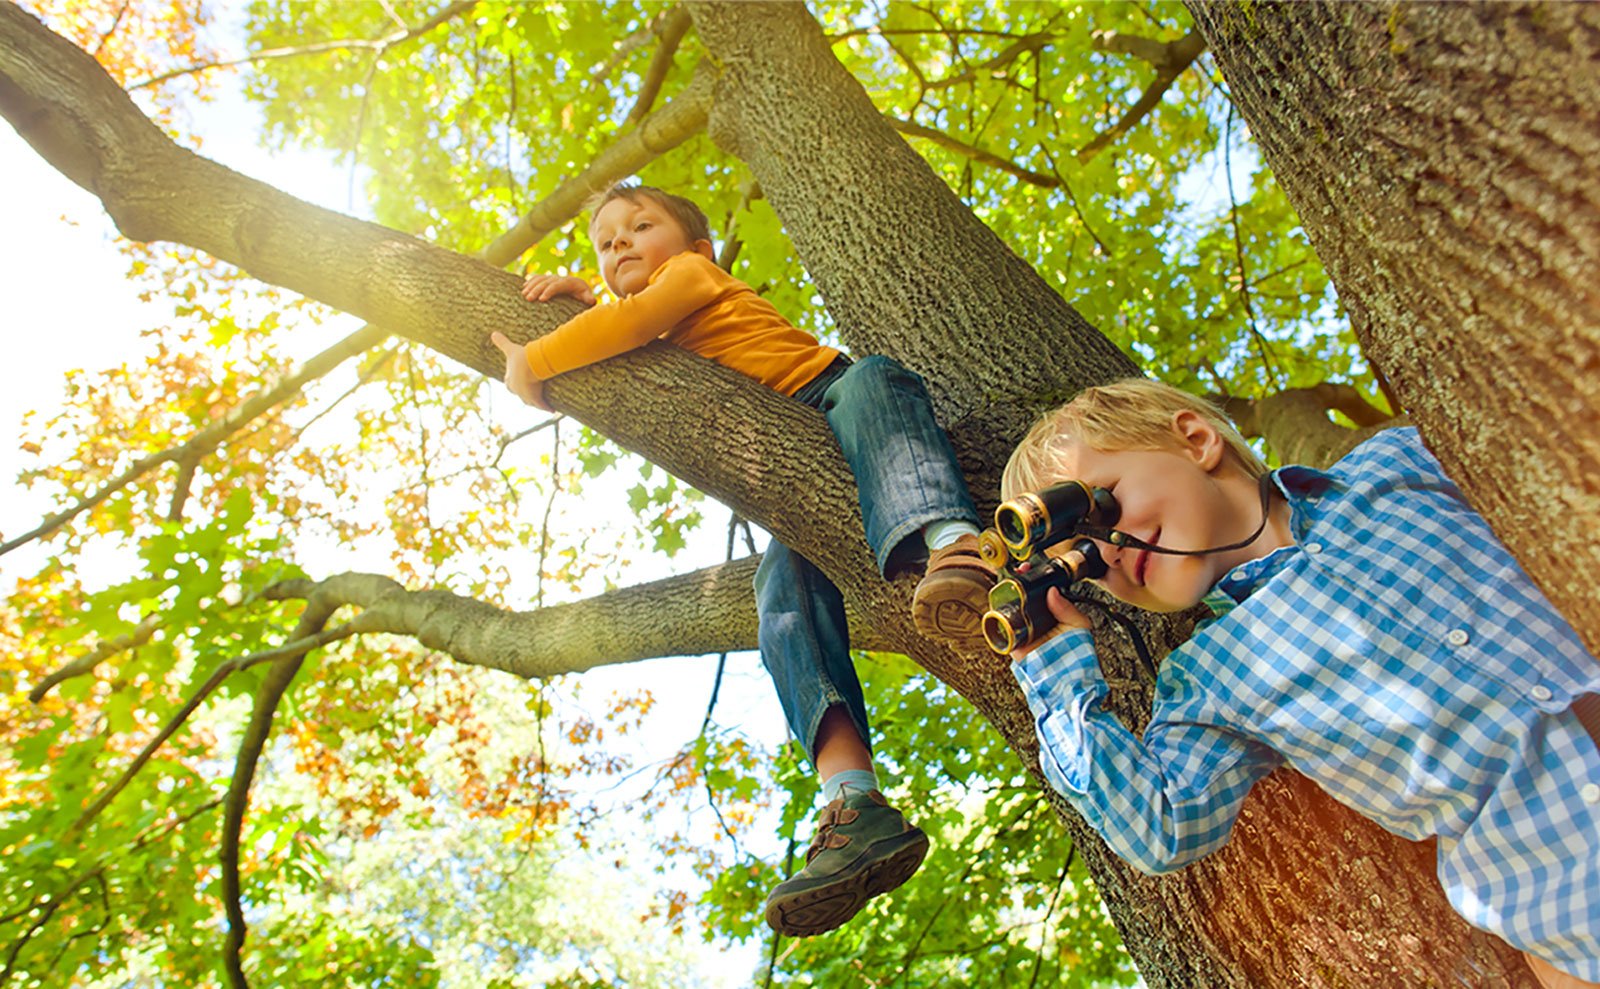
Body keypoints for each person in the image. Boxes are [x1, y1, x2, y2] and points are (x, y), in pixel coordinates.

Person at [489, 183, 995, 937]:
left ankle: (956, 547)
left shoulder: (695, 277)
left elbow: (637, 323)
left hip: (831, 397)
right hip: (796, 467)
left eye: (640, 226)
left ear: (696, 250)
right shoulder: (654, 319)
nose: (621, 242)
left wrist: (536, 359)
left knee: (872, 379)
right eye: (605, 242)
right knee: (780, 590)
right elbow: (628, 333)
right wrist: (585, 301)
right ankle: (855, 805)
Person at [999, 377, 1600, 988]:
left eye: (1101, 505)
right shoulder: (1208, 676)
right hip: (1570, 910)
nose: (1111, 550)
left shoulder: (1395, 466)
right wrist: (1051, 659)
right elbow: (1159, 826)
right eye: (1084, 558)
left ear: (1196, 439)